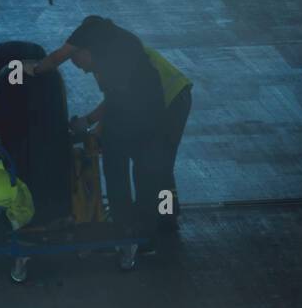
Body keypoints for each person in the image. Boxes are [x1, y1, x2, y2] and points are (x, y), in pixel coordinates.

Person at [26, 16, 191, 248]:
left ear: (85, 49)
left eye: (79, 63)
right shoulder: (110, 58)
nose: (82, 70)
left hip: (173, 99)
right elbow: (115, 102)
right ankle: (165, 218)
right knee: (155, 165)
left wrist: (31, 70)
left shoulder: (114, 52)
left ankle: (160, 222)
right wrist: (94, 126)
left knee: (157, 166)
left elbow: (56, 58)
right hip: (154, 105)